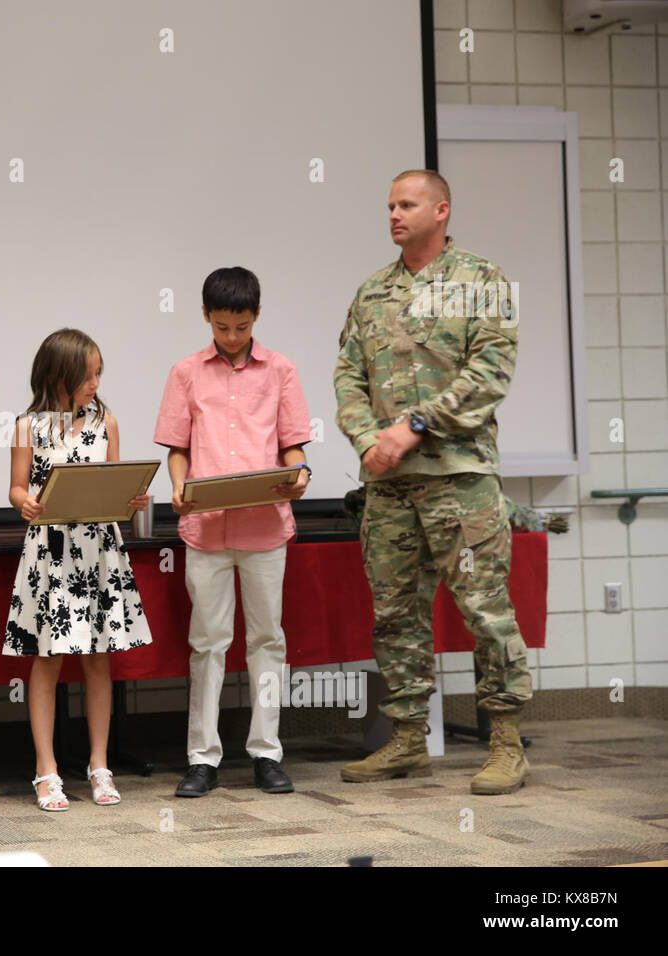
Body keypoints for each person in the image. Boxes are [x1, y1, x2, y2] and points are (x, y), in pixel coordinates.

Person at [333, 169, 532, 794]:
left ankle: (506, 743)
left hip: (460, 478)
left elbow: (492, 369)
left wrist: (415, 425)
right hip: (390, 488)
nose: (394, 214)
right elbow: (348, 377)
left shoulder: (481, 281)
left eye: (407, 203)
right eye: (389, 205)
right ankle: (408, 739)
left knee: (484, 611)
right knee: (395, 615)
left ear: (441, 209)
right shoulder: (371, 293)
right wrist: (369, 438)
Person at [153, 267, 312, 798]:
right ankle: (203, 758)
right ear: (205, 317)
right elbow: (177, 448)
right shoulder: (185, 372)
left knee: (268, 641)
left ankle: (267, 753)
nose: (231, 337)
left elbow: (293, 445)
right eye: (222, 327)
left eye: (241, 327)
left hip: (266, 528)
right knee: (208, 644)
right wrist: (179, 487)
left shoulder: (281, 370)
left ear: (256, 316)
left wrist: (301, 473)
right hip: (207, 529)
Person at [4, 329, 153, 811]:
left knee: (97, 657)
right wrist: (26, 502)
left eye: (99, 373)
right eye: (87, 374)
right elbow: (15, 489)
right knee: (46, 660)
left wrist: (134, 499)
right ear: (59, 375)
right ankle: (46, 770)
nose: (95, 382)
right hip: (50, 550)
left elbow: (113, 485)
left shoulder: (106, 422)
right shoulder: (28, 426)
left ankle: (99, 764)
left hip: (97, 549)